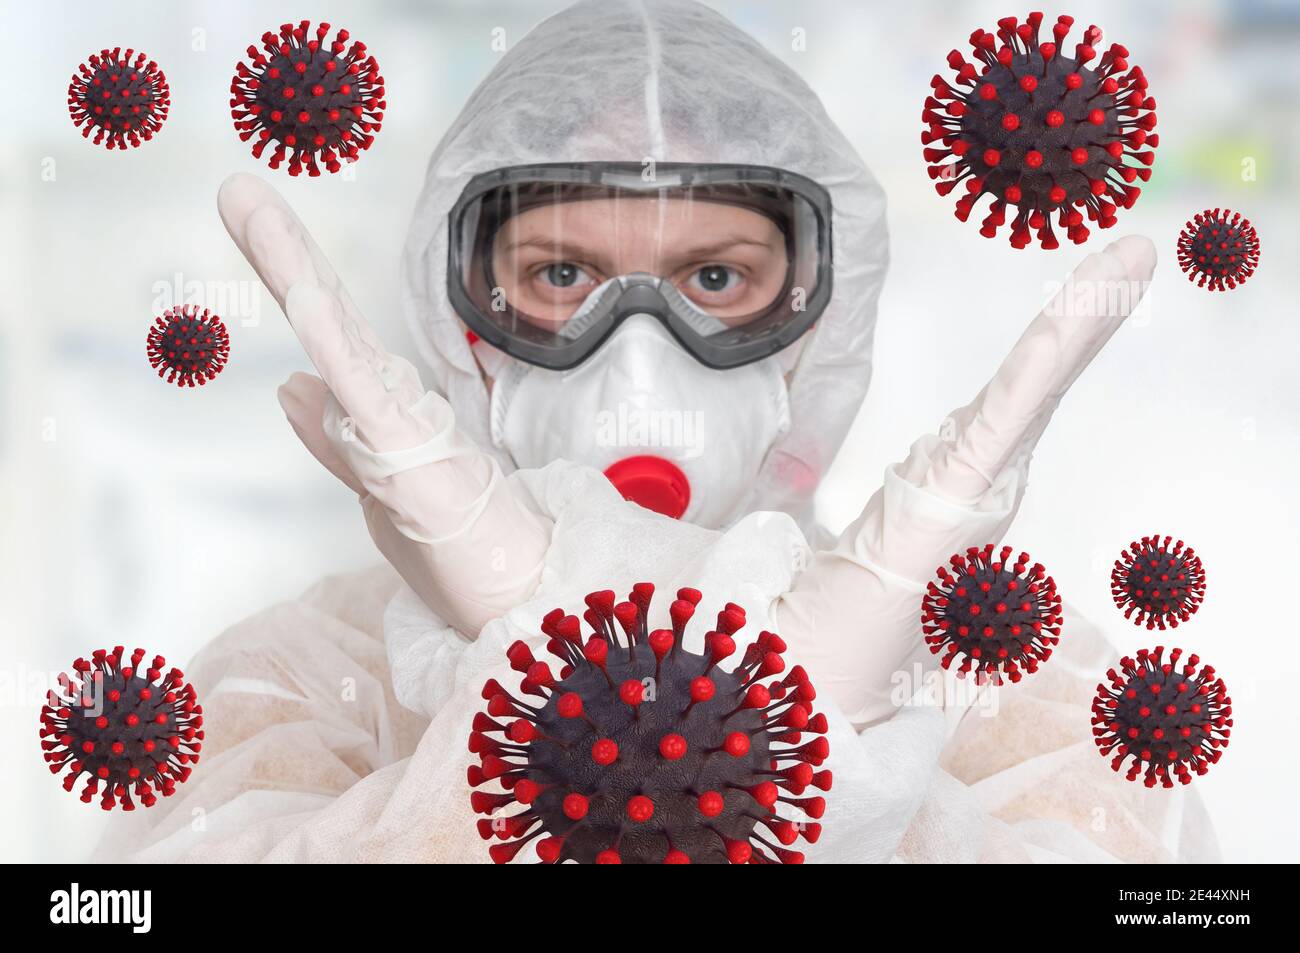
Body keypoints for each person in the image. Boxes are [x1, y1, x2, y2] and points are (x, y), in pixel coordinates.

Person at [98, 0, 1217, 863]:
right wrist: (587, 694)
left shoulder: (1012, 674)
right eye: (562, 274)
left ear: (815, 323)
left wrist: (814, 727)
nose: (639, 351)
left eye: (716, 276)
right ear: (463, 326)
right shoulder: (290, 676)